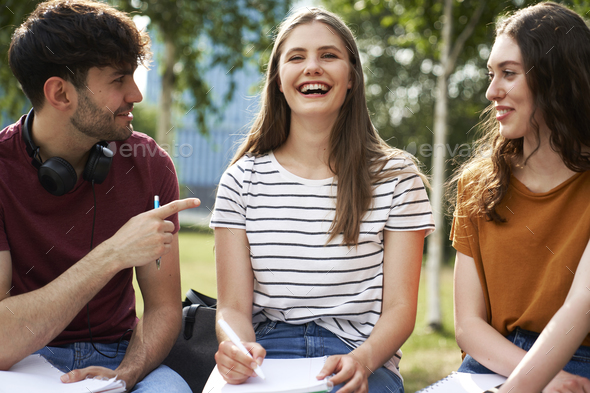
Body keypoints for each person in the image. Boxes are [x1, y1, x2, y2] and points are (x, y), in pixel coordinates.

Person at [209, 7, 434, 393]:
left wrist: (362, 361)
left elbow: (400, 310)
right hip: (268, 353)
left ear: (352, 78)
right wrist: (237, 345)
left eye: (328, 55)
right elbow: (231, 308)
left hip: (359, 352)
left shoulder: (397, 178)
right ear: (278, 80)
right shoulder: (241, 179)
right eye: (296, 57)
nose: (312, 67)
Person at [0, 1, 199, 392]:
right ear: (60, 93)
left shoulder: (150, 164)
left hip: (122, 355)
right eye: (118, 80)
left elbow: (161, 310)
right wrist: (113, 253)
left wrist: (127, 375)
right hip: (22, 361)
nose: (136, 94)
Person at [450, 2, 590, 392]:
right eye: (491, 74)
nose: (491, 91)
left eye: (508, 74)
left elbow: (584, 302)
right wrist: (543, 379)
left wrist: (539, 381)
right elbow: (468, 326)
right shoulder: (477, 183)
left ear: (556, 79)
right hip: (495, 362)